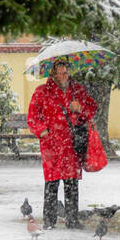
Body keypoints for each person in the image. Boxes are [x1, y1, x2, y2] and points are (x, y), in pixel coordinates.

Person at [27, 59, 99, 229]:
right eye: (59, 72)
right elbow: (32, 117)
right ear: (53, 73)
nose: (62, 75)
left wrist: (80, 108)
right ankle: (50, 221)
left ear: (69, 72)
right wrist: (43, 131)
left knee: (72, 183)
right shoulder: (42, 92)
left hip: (72, 144)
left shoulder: (78, 91)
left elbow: (92, 109)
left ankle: (72, 220)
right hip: (51, 144)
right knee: (51, 184)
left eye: (65, 72)